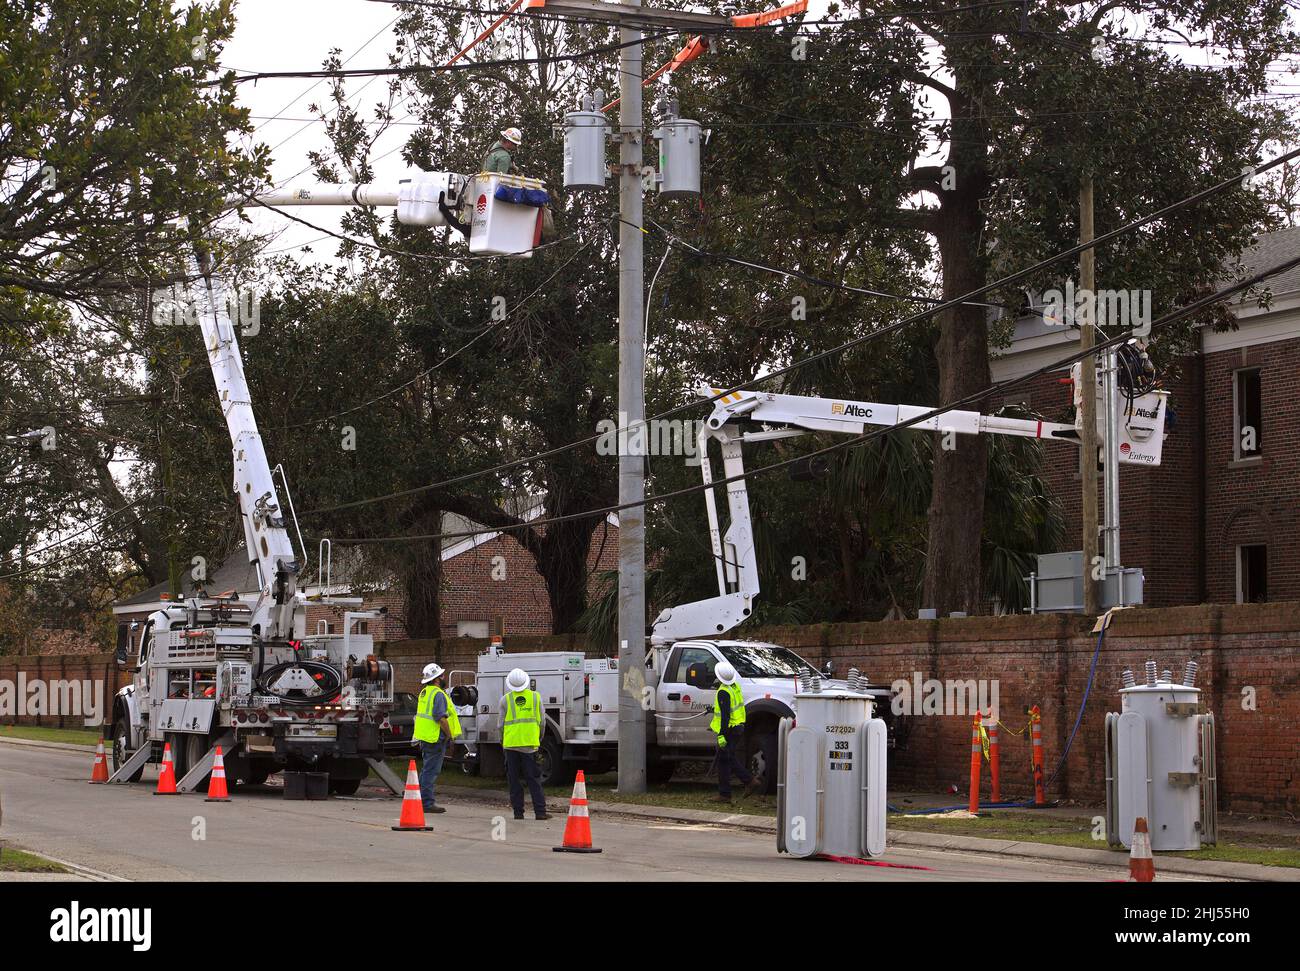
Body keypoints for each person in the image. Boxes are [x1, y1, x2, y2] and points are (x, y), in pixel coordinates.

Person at [498, 667, 551, 820]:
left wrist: (503, 742)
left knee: (514, 780)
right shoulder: (536, 698)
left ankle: (518, 813)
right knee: (534, 779)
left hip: (511, 746)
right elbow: (542, 722)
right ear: (526, 682)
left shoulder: (505, 700)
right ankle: (540, 813)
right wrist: (538, 738)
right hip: (529, 746)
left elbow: (500, 725)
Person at [413, 663, 460, 813]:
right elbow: (440, 717)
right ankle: (426, 803)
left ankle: (420, 800)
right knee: (431, 771)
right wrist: (450, 735)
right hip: (435, 738)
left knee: (426, 770)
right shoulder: (438, 694)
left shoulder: (425, 692)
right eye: (442, 675)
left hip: (426, 736)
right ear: (437, 679)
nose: (444, 677)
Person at [711, 661, 756, 803]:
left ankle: (748, 781)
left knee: (727, 758)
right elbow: (730, 708)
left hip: (729, 729)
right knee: (725, 759)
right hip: (738, 726)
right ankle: (725, 793)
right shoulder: (734, 687)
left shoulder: (723, 692)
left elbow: (725, 716)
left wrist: (721, 735)